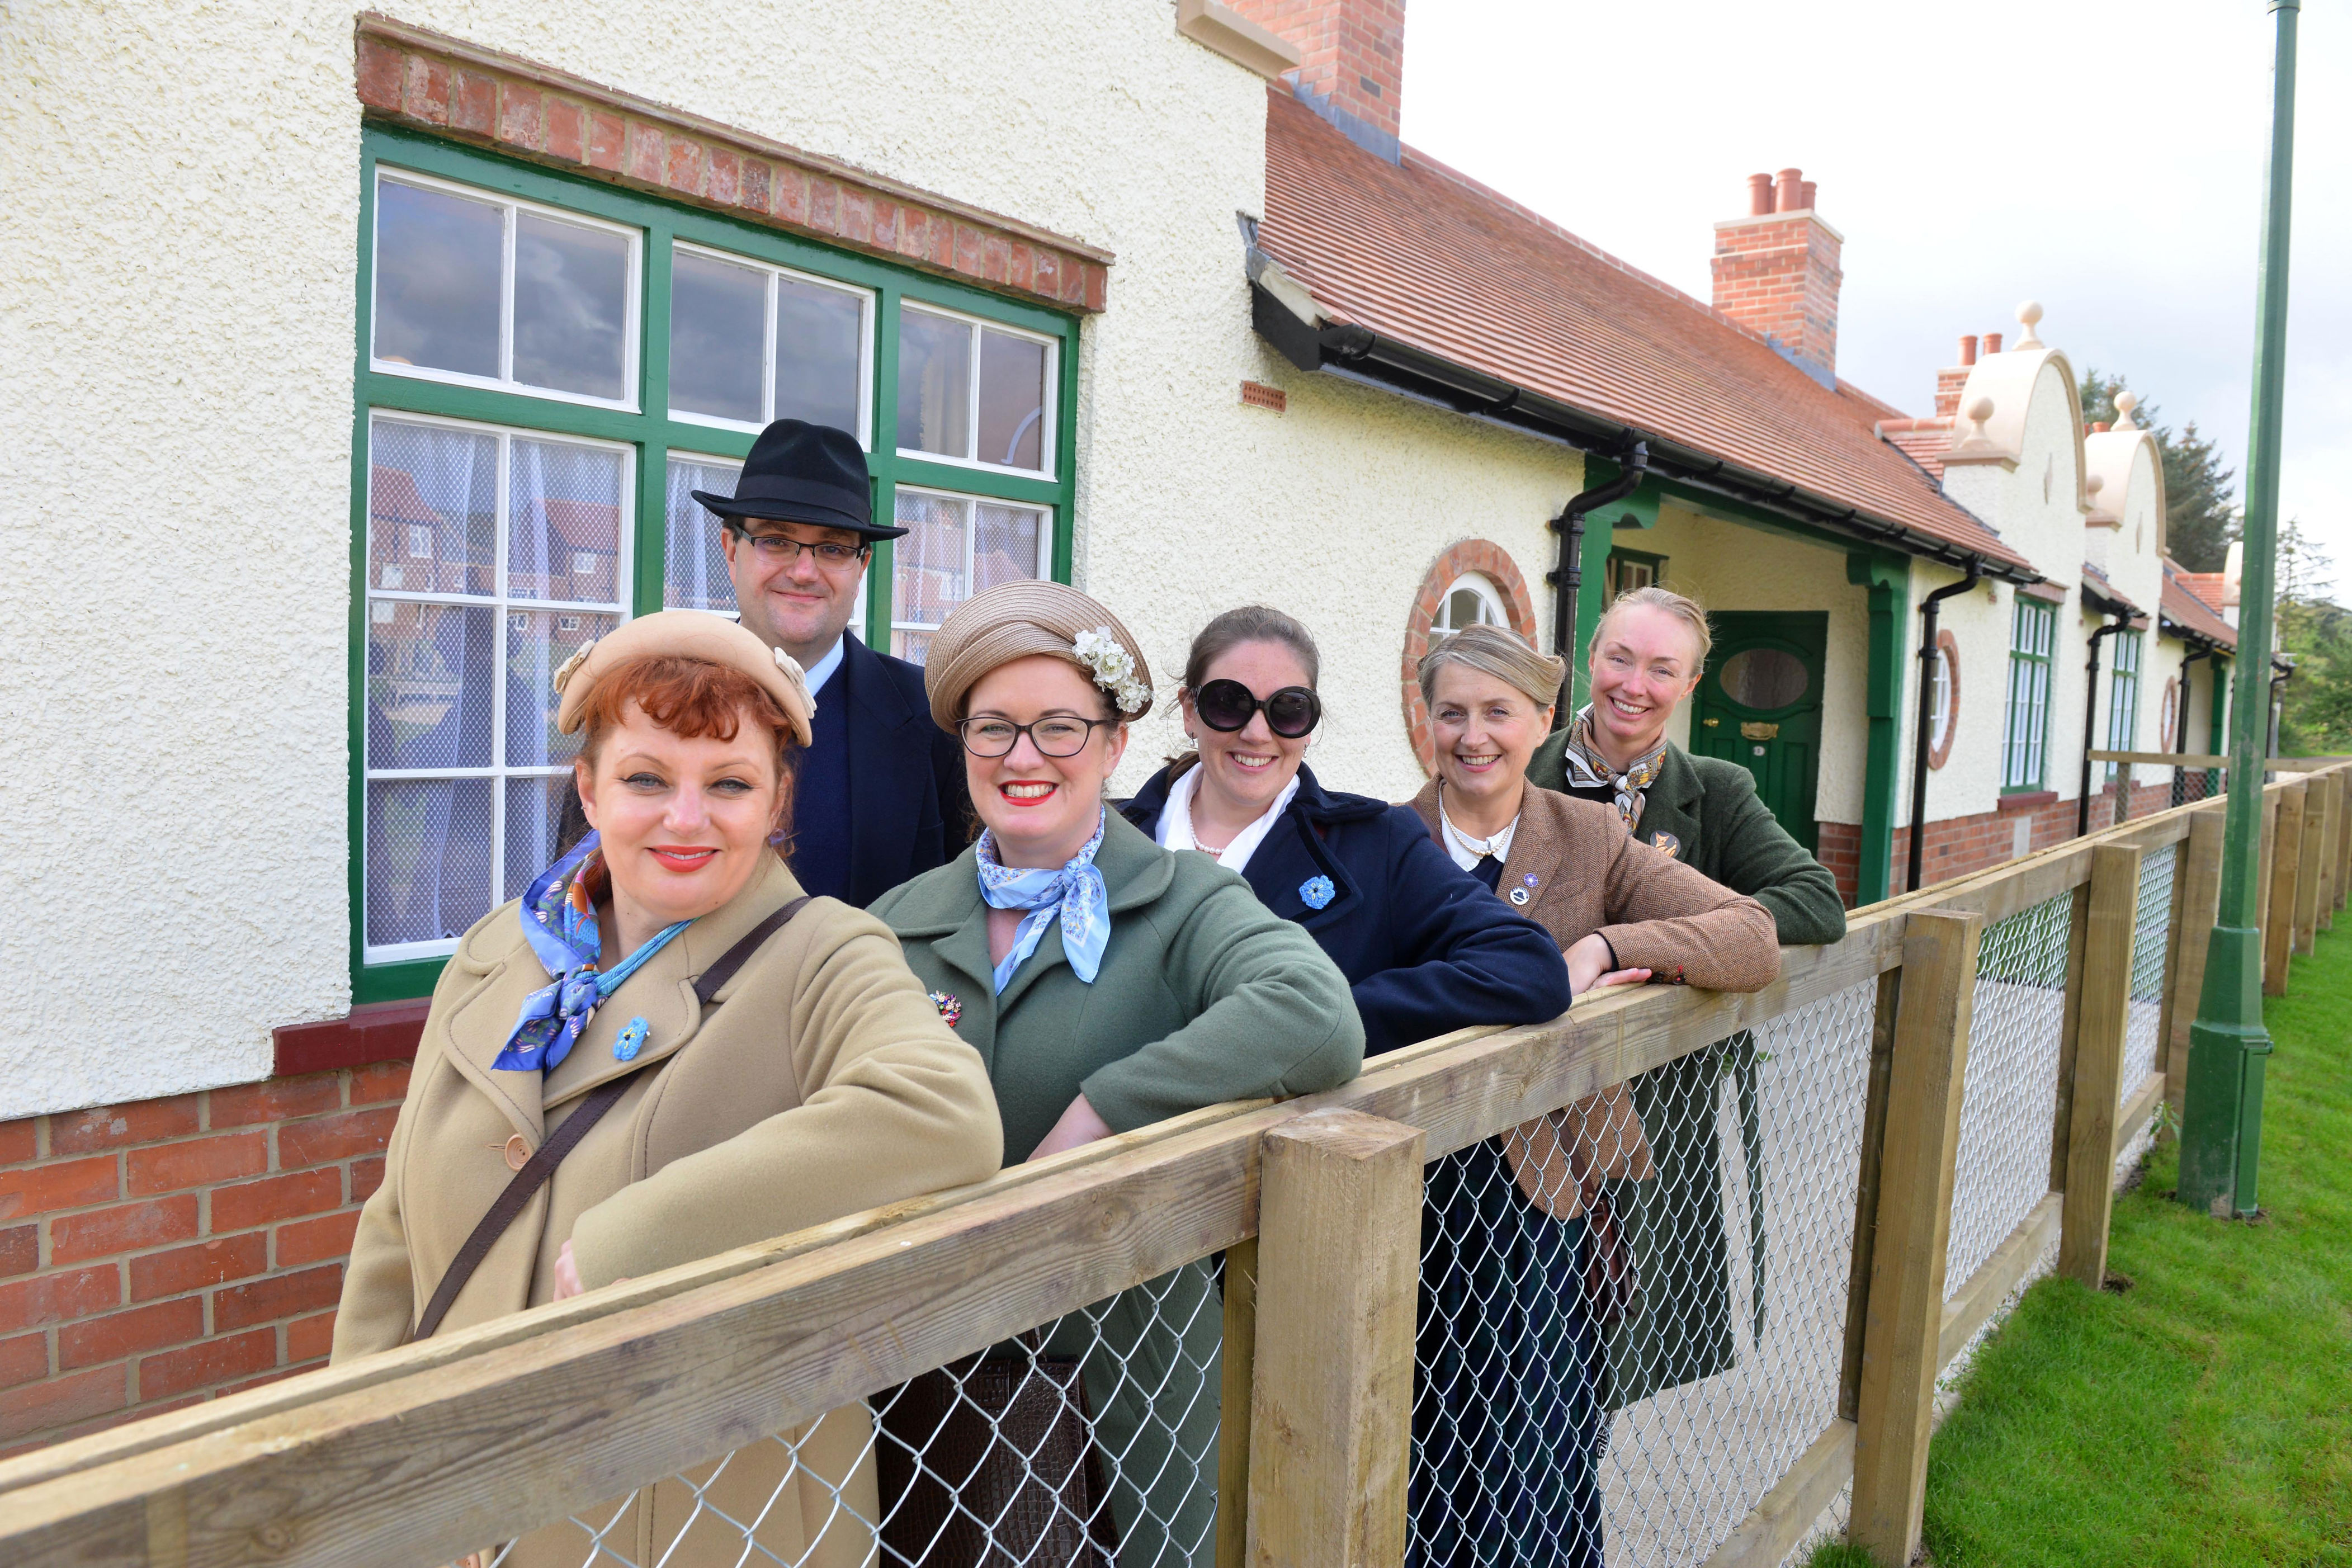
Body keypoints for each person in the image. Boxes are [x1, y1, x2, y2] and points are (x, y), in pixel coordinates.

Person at [333, 610, 1003, 1568]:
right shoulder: (495, 952)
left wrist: (644, 1233)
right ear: (589, 788)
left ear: (777, 801)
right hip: (464, 1511)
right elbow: (396, 1226)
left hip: (701, 1520)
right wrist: (360, 1472)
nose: (686, 818)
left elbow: (944, 1115)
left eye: (729, 783)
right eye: (647, 778)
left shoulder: (824, 955)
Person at [870, 583, 1364, 1567]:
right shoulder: (894, 921)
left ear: (1113, 745)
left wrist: (1102, 1109)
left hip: (1119, 1382)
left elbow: (1316, 1016)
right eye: (993, 728)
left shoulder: (1186, 902)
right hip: (916, 1373)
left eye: (1059, 727)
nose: (1022, 757)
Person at [1406, 622, 1782, 1568]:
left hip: (1543, 1196)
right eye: (1451, 712)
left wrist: (1609, 944)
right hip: (1411, 1187)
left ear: (1541, 720)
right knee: (1423, 1429)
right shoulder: (1383, 840)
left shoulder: (1588, 835)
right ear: (1425, 721)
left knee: (1540, 1430)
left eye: (1498, 712)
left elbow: (1751, 934)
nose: (1473, 736)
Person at [1526, 585, 1846, 1409]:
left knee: (1618, 1325)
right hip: (1521, 1103)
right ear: (1589, 659)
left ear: (1691, 684)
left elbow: (1814, 902)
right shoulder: (1517, 763)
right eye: (1619, 659)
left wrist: (1640, 947)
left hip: (1654, 1102)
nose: (1634, 685)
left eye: (1662, 669)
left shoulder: (1718, 789)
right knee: (1518, 1333)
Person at [1117, 605, 1571, 1056]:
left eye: (1288, 709)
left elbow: (1528, 967)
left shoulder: (1376, 845)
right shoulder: (1103, 837)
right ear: (1190, 711)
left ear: (1309, 725)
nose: (1256, 733)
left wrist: (1324, 1020)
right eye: (1228, 703)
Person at [697, 417, 971, 906]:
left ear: (861, 565)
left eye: (833, 548)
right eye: (776, 540)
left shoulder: (936, 718)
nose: (804, 571)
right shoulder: (646, 700)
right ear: (731, 550)